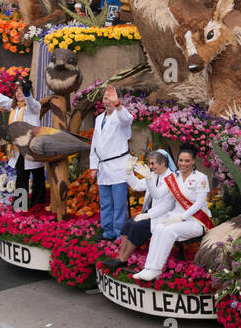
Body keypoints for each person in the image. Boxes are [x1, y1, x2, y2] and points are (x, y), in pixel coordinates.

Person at [133, 145, 211, 282]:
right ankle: (149, 267)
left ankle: (156, 269)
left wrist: (181, 217)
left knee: (168, 231)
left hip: (195, 221)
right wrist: (148, 178)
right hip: (175, 218)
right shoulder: (174, 178)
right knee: (158, 228)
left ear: (193, 161)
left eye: (187, 161)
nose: (183, 164)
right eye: (180, 160)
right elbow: (157, 195)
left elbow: (199, 203)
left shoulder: (201, 178)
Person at [0, 78, 46, 206]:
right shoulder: (13, 107)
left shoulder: (34, 107)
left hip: (32, 148)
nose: (19, 93)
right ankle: (20, 206)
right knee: (22, 177)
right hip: (19, 149)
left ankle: (38, 206)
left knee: (38, 176)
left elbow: (31, 102)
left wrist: (28, 94)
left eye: (22, 91)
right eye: (17, 91)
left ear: (28, 92)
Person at [109, 150, 175, 268]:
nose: (150, 167)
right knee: (128, 224)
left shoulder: (171, 178)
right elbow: (137, 186)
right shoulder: (154, 175)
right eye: (149, 163)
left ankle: (124, 259)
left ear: (163, 163)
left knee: (136, 227)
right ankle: (120, 257)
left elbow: (159, 198)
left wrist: (148, 214)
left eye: (153, 164)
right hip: (149, 213)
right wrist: (129, 172)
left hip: (163, 215)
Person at [90, 85, 134, 241]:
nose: (107, 101)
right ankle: (107, 231)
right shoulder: (98, 119)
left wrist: (118, 105)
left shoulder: (121, 116)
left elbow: (128, 119)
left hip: (118, 167)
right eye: (105, 98)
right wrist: (93, 166)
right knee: (106, 203)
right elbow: (95, 143)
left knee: (120, 204)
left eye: (110, 98)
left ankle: (119, 234)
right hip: (103, 168)